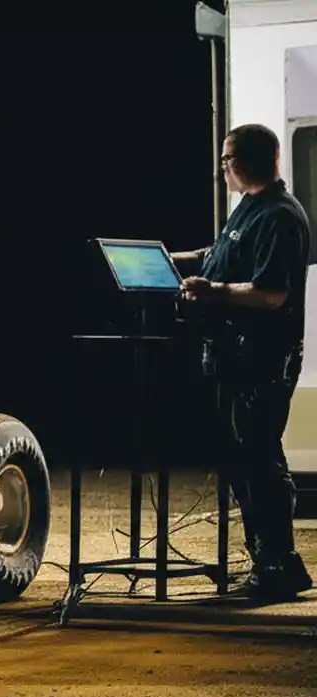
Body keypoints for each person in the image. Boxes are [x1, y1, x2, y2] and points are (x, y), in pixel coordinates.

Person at [173, 123, 312, 599]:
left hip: (264, 361)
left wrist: (214, 292)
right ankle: (272, 563)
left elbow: (272, 294)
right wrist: (175, 260)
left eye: (227, 158)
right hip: (236, 358)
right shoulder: (249, 211)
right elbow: (223, 253)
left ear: (249, 160)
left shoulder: (280, 217)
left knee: (259, 460)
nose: (222, 167)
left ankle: (277, 566)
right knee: (243, 458)